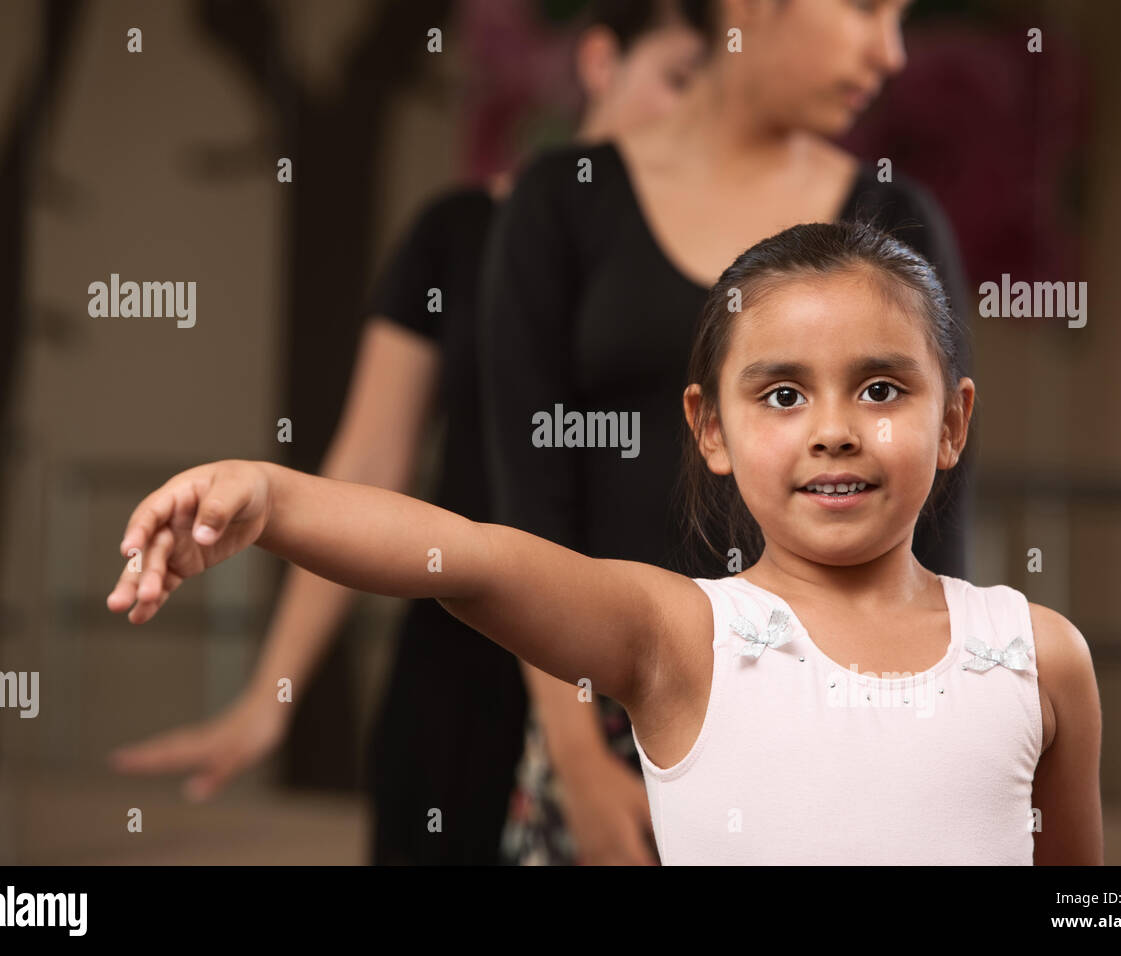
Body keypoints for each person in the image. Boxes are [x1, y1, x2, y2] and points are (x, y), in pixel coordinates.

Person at [105, 220, 1104, 865]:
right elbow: (465, 555)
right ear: (710, 428)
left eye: (881, 388)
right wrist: (271, 498)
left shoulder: (1039, 655)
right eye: (782, 394)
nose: (833, 429)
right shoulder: (680, 636)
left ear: (952, 421)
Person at [105, 0, 705, 865]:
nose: (699, 107)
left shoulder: (723, 263)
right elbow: (370, 457)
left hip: (636, 666)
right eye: (679, 78)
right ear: (602, 60)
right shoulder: (459, 232)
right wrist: (272, 694)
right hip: (467, 655)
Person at [481, 0, 975, 865]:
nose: (891, 53)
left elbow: (940, 523)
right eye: (865, 9)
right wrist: (577, 760)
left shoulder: (897, 219)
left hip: (841, 718)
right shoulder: (563, 198)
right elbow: (530, 499)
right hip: (608, 712)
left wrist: (917, 742)